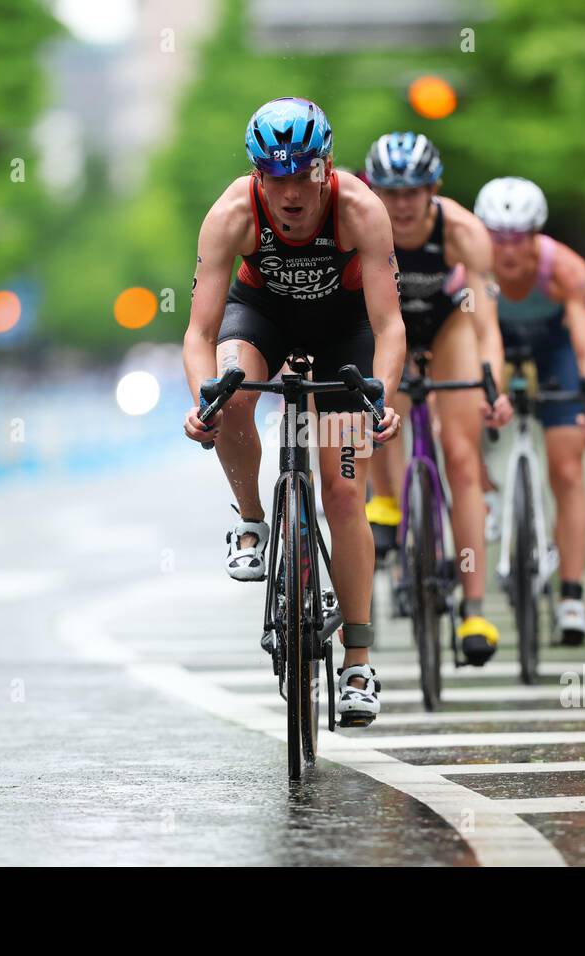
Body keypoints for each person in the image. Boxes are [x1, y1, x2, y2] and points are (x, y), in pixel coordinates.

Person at [181, 97, 405, 726]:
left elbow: (389, 324)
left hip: (344, 334)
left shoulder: (361, 209)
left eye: (303, 173)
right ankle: (252, 519)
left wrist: (380, 395)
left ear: (327, 167)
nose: (289, 193)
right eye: (273, 176)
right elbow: (199, 334)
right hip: (262, 320)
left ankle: (357, 661)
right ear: (256, 176)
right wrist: (203, 401)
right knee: (230, 392)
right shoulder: (231, 214)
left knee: (342, 491)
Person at [361, 131, 512, 665]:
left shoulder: (463, 231)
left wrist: (492, 384)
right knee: (376, 403)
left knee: (464, 458)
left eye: (414, 192)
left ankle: (474, 608)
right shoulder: (359, 223)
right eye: (390, 192)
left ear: (434, 189)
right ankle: (388, 502)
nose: (401, 205)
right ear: (373, 189)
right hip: (388, 328)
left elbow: (487, 322)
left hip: (449, 326)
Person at [473, 176, 585, 645]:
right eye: (498, 237)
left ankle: (571, 596)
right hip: (496, 344)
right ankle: (484, 490)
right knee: (462, 406)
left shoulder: (565, 271)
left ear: (536, 235)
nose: (508, 250)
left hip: (555, 350)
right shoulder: (474, 266)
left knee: (567, 471)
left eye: (519, 237)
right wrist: (488, 395)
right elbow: (473, 337)